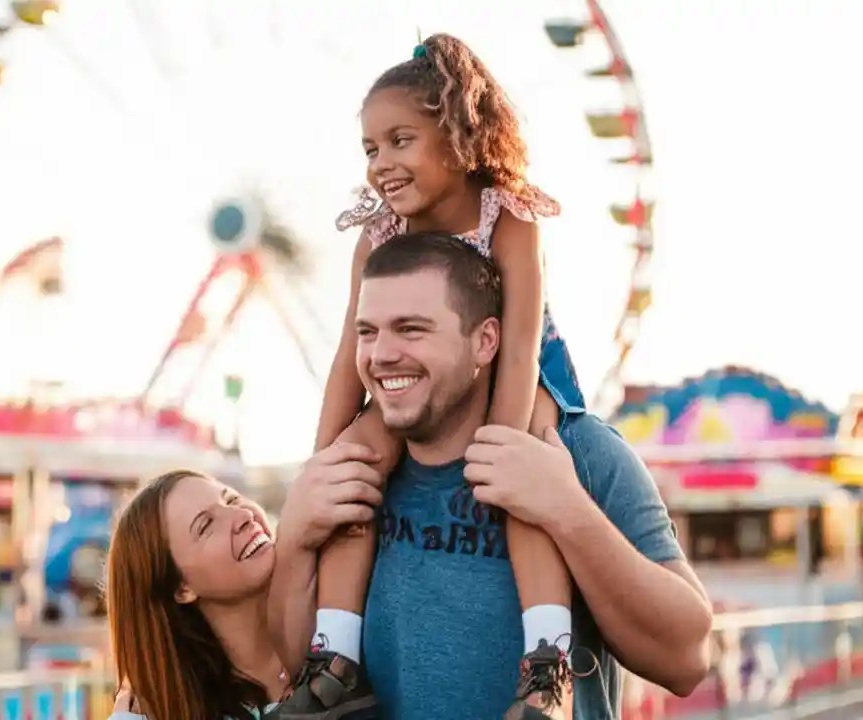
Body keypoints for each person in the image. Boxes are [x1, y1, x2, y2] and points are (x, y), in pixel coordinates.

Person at [269, 232, 714, 719]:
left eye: (411, 330)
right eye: (367, 332)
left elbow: (686, 660)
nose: (381, 354)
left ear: (485, 341)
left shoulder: (576, 450)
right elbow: (299, 673)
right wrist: (293, 539)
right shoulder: (350, 472)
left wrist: (567, 510)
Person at [294, 33, 587, 718]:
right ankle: (334, 658)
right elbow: (351, 354)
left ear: (458, 137)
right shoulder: (378, 235)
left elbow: (517, 342)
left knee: (527, 472)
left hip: (521, 367)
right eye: (370, 149)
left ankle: (548, 662)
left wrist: (497, 447)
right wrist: (325, 461)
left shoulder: (508, 217)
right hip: (420, 383)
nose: (381, 164)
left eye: (400, 140)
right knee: (352, 476)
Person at [106, 470, 347, 720]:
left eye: (231, 500)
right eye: (206, 525)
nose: (243, 515)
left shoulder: (338, 614)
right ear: (182, 588)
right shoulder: (172, 711)